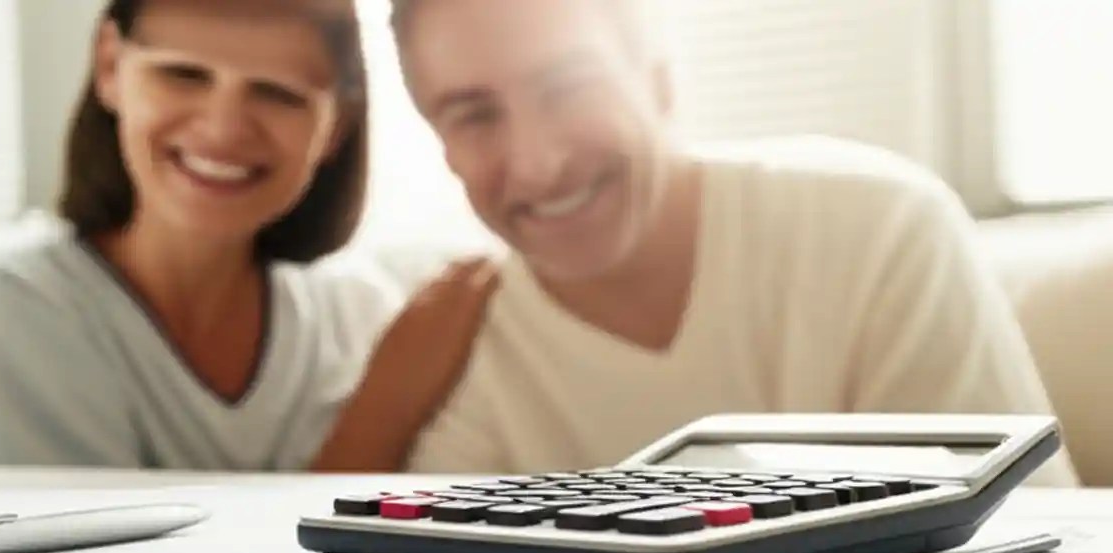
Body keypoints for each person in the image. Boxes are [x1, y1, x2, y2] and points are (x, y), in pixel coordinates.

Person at [390, 0, 1078, 486]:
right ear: (440, 144)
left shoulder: (879, 231)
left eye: (569, 85)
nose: (537, 161)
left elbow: (1023, 552)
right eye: (474, 115)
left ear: (657, 79)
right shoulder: (454, 342)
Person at [0, 0, 496, 471]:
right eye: (183, 74)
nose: (223, 128)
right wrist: (384, 410)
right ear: (110, 67)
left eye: (278, 93)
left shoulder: (359, 313)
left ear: (335, 126)